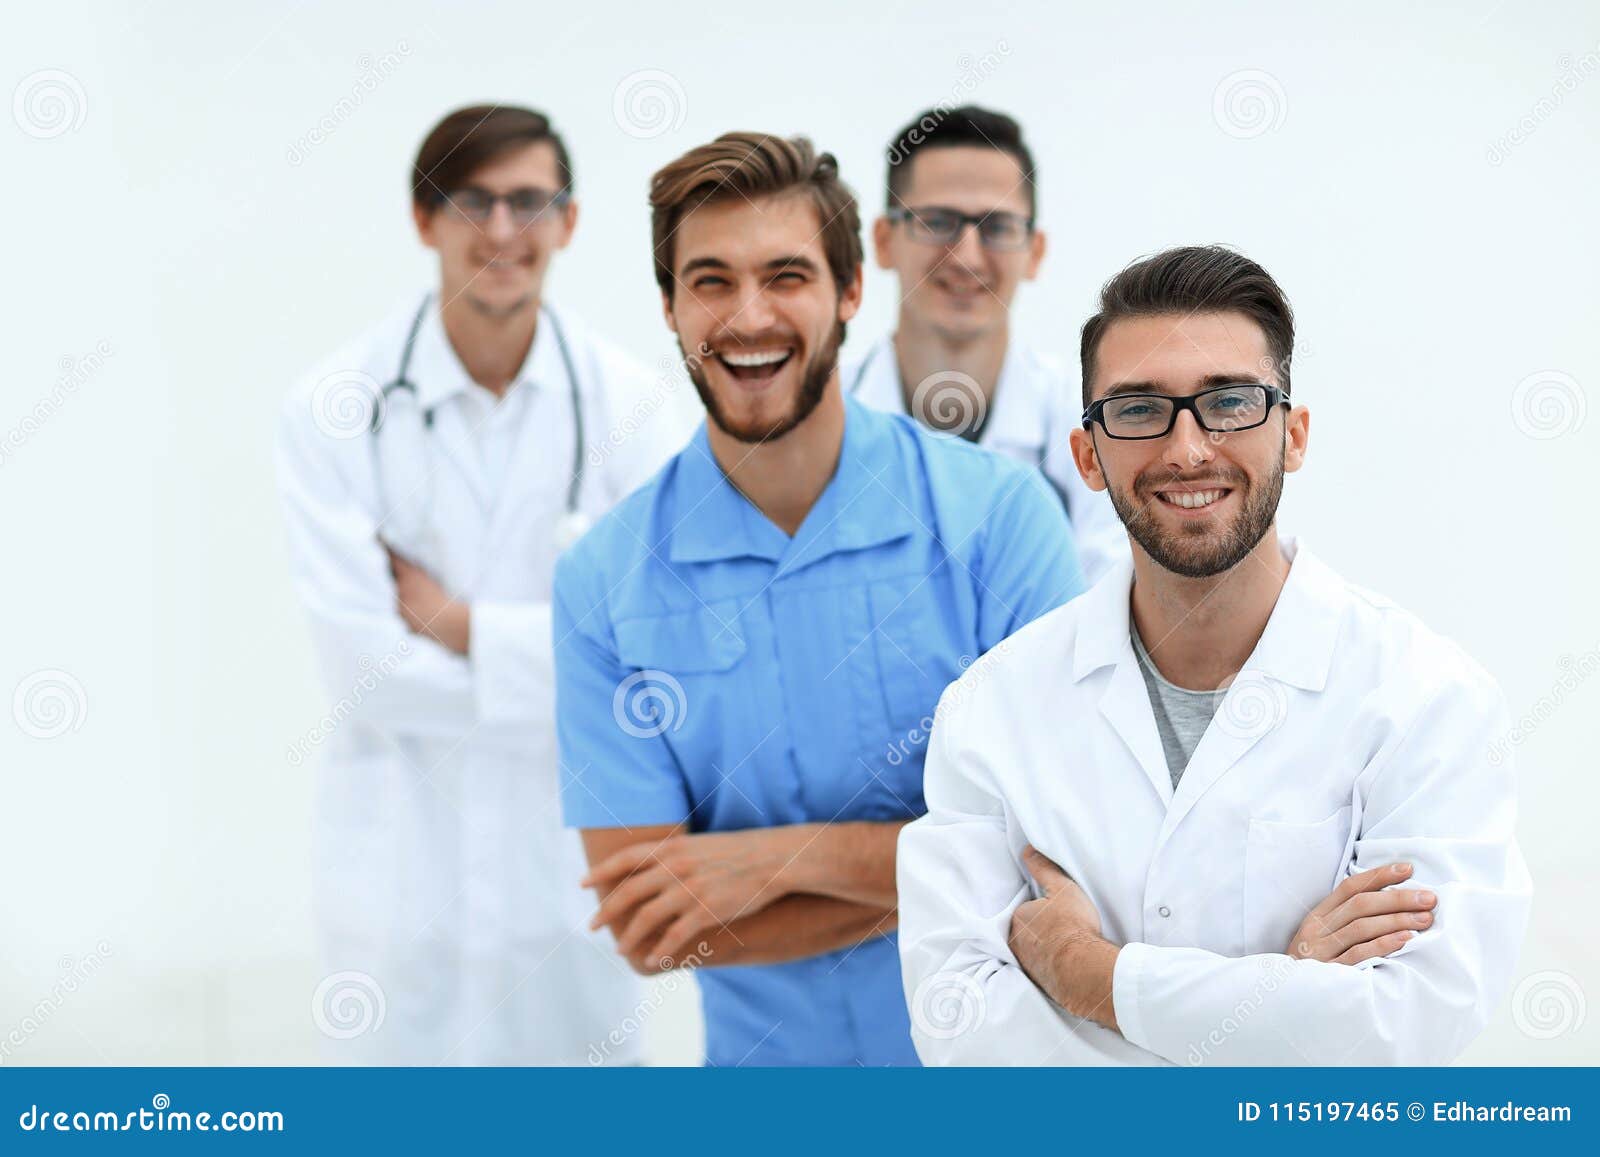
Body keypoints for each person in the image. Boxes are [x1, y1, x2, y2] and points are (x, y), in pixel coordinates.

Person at [897, 245, 1532, 1065]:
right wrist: (1288, 983)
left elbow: (1409, 1021)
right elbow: (959, 1031)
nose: (1188, 448)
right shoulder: (990, 709)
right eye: (1136, 409)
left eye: (1230, 401)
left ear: (1293, 435)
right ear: (1088, 455)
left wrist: (1094, 978)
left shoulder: (1428, 699)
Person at [552, 132, 1084, 1066]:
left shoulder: (998, 524)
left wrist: (766, 862)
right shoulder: (605, 579)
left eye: (786, 275)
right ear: (671, 309)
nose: (748, 315)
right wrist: (943, 872)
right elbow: (651, 928)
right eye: (710, 280)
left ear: (847, 293)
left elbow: (1058, 859)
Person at [276, 104, 694, 1064]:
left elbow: (659, 665)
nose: (501, 231)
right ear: (425, 220)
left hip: (572, 871)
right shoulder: (336, 410)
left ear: (568, 222)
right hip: (401, 872)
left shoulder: (635, 411)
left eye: (527, 202)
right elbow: (364, 673)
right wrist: (568, 663)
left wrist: (456, 624)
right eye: (472, 202)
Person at [844, 106, 1124, 583]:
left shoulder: (1096, 418)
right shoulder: (820, 416)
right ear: (884, 241)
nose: (966, 257)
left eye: (997, 228)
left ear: (1034, 253)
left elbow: (1116, 602)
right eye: (937, 222)